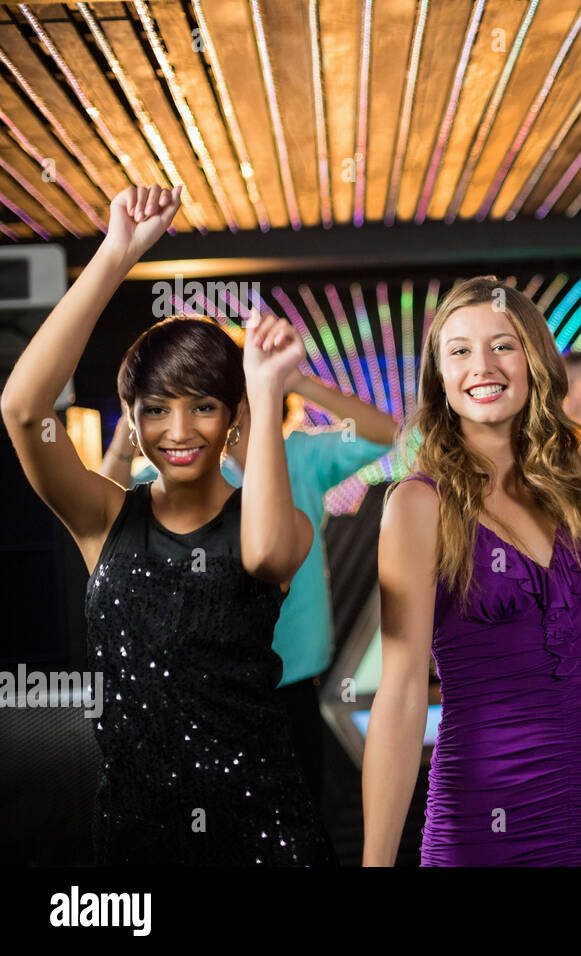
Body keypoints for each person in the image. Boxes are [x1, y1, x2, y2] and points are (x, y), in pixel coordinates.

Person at [1, 184, 334, 864]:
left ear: (233, 417)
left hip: (263, 835)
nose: (178, 431)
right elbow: (20, 407)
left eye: (204, 407)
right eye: (156, 409)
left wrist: (265, 390)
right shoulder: (104, 515)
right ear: (133, 417)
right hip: (136, 838)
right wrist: (114, 254)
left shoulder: (274, 523)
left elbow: (268, 556)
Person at [361, 277, 581, 867]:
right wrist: (376, 862)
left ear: (535, 360)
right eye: (459, 351)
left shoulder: (574, 476)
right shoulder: (418, 505)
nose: (481, 365)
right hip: (487, 802)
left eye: (503, 345)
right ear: (440, 378)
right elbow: (402, 692)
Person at [101, 361, 396, 809]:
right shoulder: (185, 473)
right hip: (202, 687)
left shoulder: (299, 455)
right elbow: (102, 508)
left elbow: (382, 432)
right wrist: (131, 421)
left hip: (292, 680)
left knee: (300, 813)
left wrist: (295, 379)